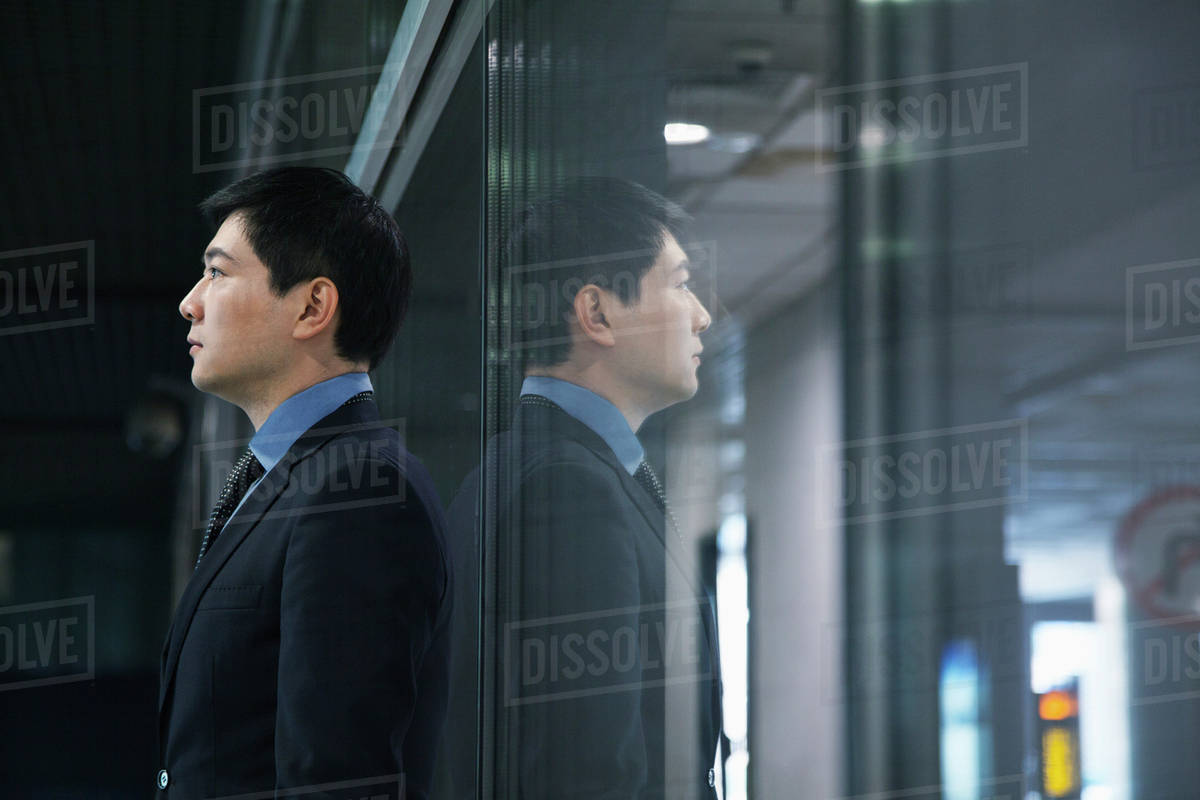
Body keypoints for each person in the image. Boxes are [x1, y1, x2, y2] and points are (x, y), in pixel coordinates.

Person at [158, 167, 451, 800]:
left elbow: (336, 781)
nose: (191, 300)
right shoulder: (303, 475)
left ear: (313, 306)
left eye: (218, 272)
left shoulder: (358, 489)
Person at [445, 177, 722, 798]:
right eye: (680, 284)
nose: (703, 314)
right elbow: (585, 770)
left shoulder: (516, 471)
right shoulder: (569, 489)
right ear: (595, 313)